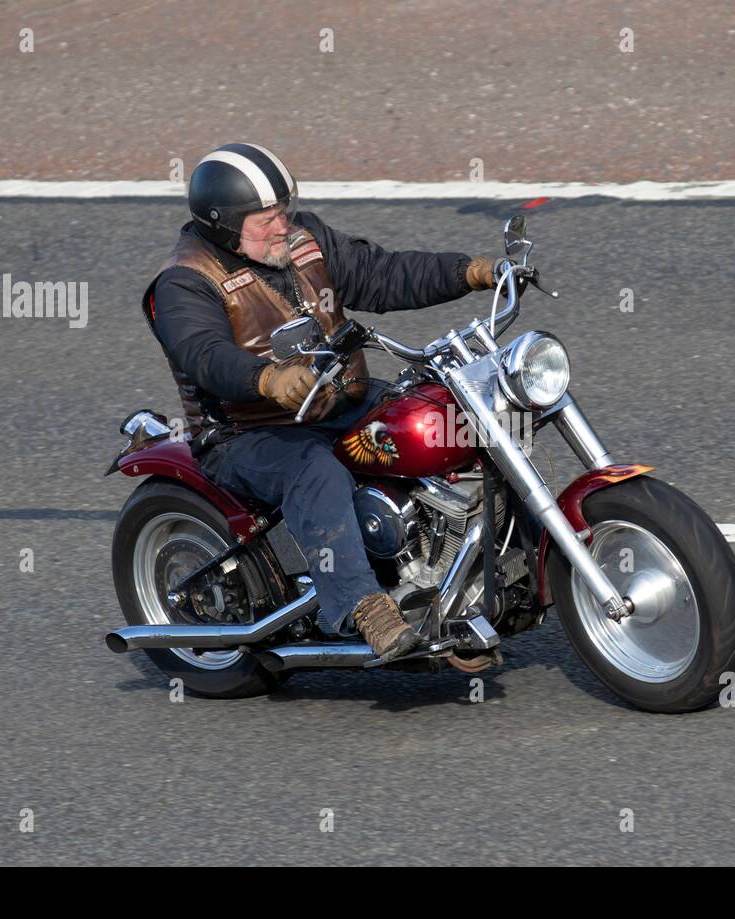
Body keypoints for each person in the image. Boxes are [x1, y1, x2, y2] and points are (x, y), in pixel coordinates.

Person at [142, 143, 498, 661]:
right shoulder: (185, 281)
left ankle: (465, 573)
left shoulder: (304, 240)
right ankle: (362, 605)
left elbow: (381, 274)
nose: (281, 226)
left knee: (441, 414)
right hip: (246, 433)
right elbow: (205, 355)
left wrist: (467, 272)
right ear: (224, 226)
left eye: (282, 211)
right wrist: (265, 379)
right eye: (264, 220)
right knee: (316, 472)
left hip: (333, 401)